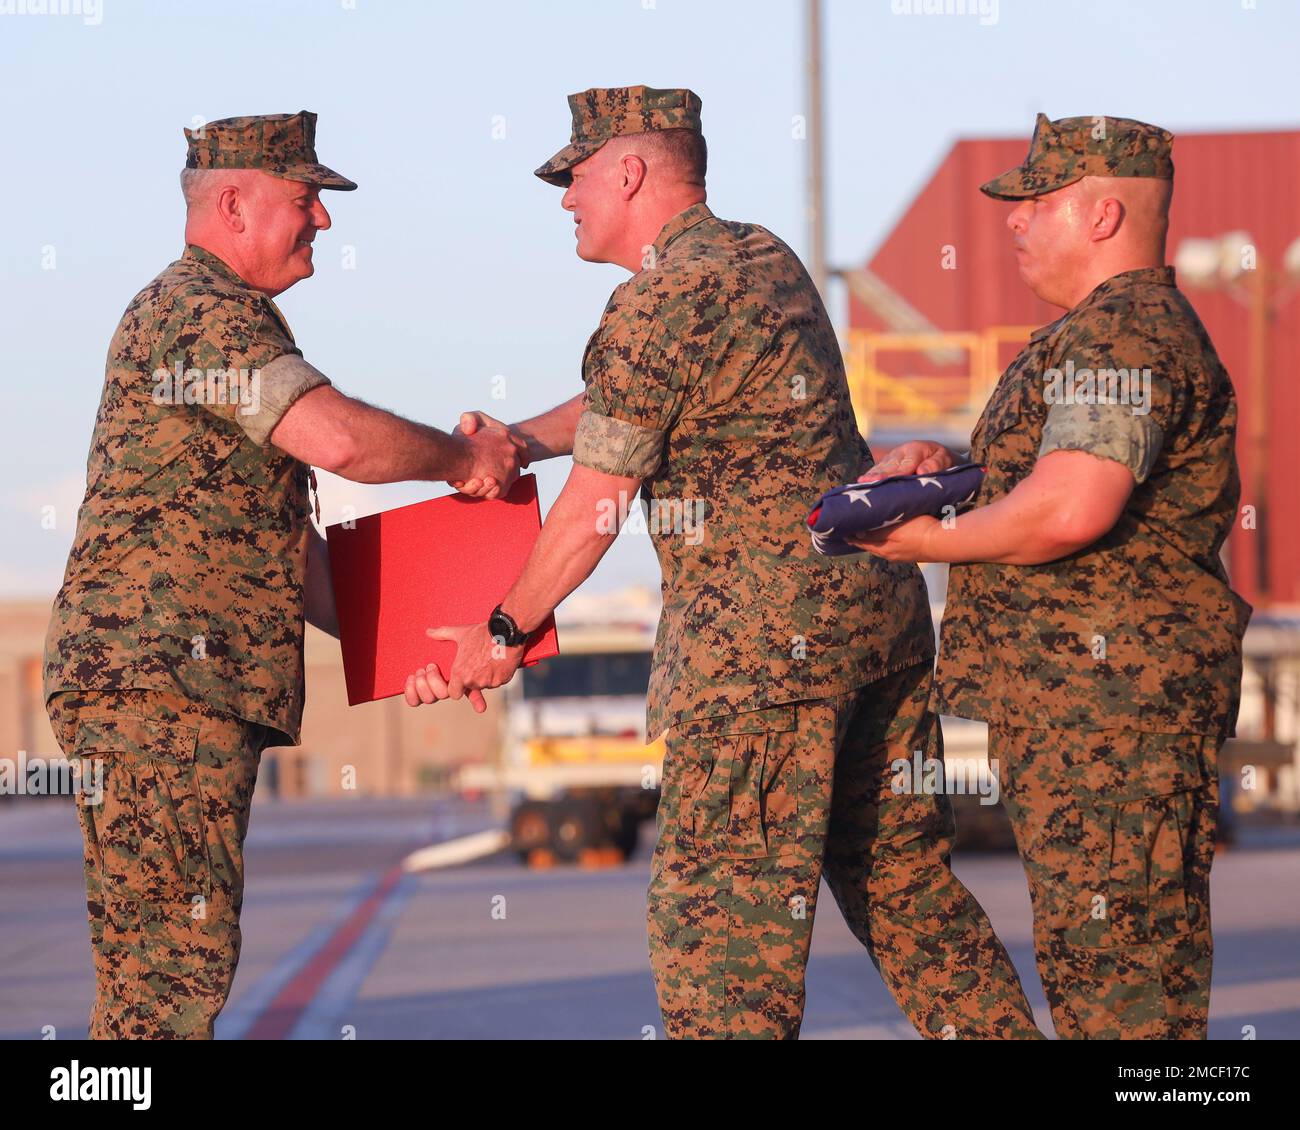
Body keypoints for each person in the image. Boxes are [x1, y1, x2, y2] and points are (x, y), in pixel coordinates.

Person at [407, 86, 1041, 1040]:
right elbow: (636, 399)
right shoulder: (761, 258)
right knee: (907, 894)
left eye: (574, 178)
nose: (565, 199)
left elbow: (597, 509)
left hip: (760, 656)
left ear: (628, 172)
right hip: (876, 621)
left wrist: (505, 629)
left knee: (723, 943)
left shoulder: (657, 299)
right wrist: (521, 442)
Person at [43, 110, 524, 1039]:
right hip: (160, 689)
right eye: (306, 199)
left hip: (178, 690)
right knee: (166, 983)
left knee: (169, 974)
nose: (325, 223)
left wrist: (444, 640)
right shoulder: (197, 313)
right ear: (232, 202)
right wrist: (463, 464)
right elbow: (336, 436)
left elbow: (292, 563)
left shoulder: (237, 321)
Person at [850, 114, 1252, 1038]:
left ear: (1103, 213)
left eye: (1036, 203)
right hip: (1081, 715)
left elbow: (1073, 508)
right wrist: (951, 470)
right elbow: (1053, 479)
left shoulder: (1125, 335)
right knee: (1099, 982)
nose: (1013, 223)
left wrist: (924, 544)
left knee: (1131, 998)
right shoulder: (1090, 335)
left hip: (1115, 715)